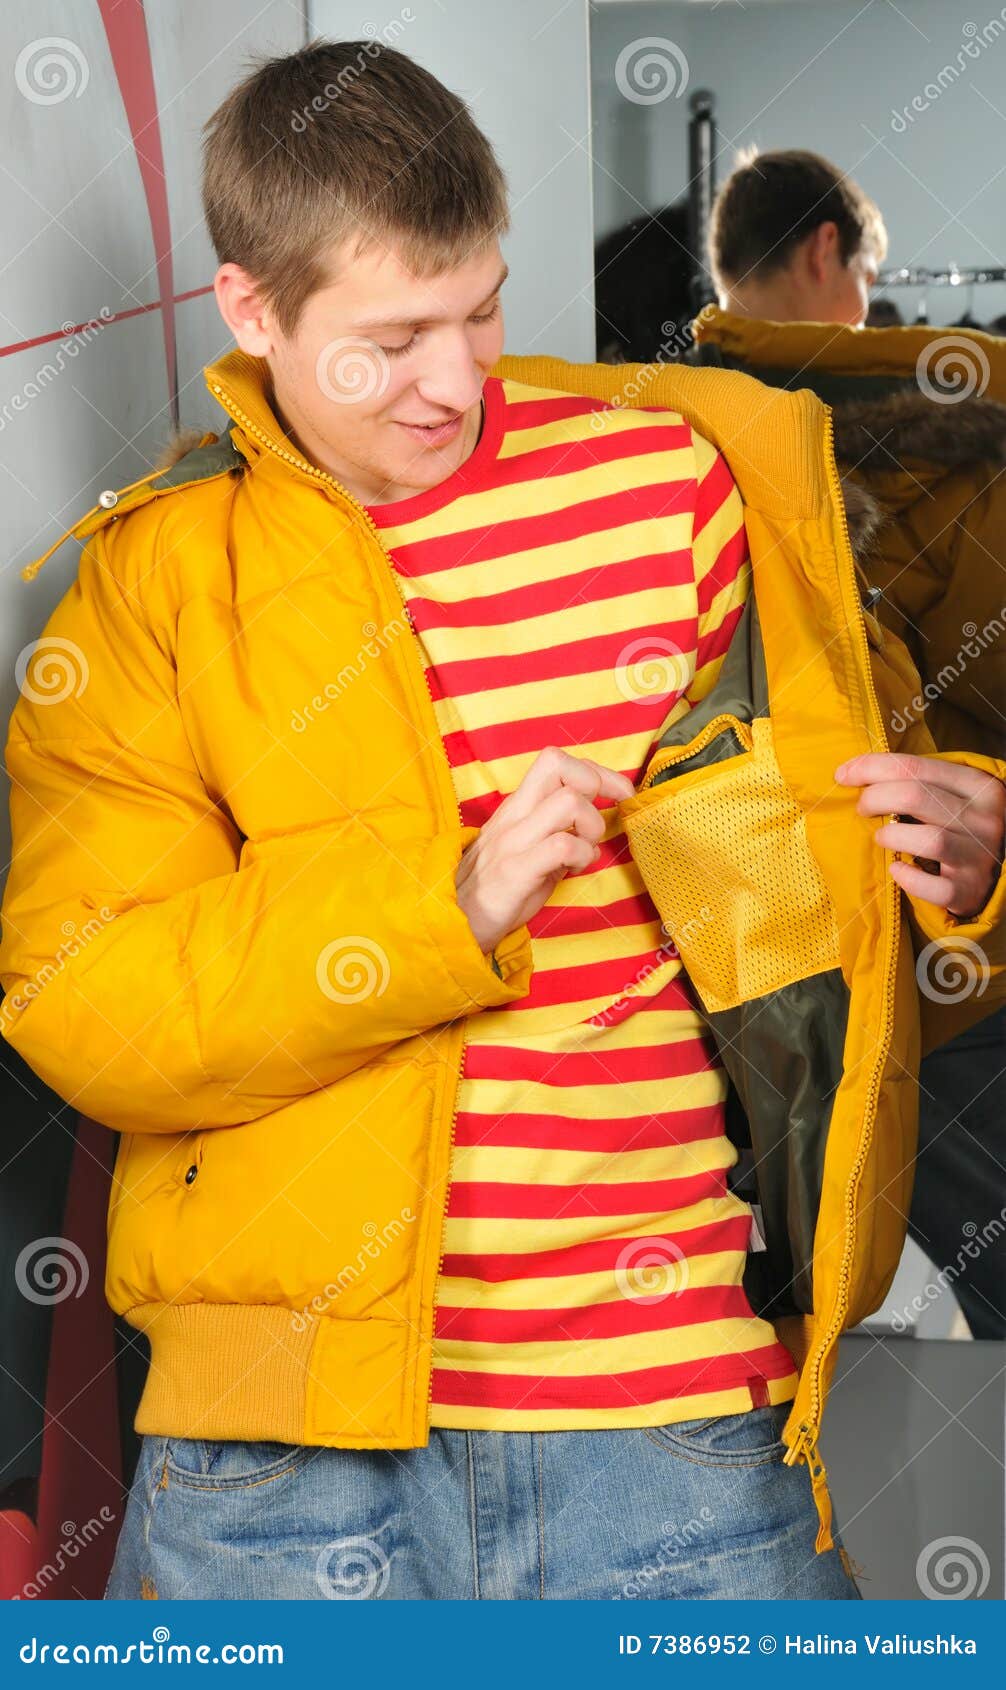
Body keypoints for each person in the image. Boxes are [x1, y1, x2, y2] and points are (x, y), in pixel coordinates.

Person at [1, 44, 1003, 1602]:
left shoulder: (667, 482)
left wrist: (957, 893)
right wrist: (440, 910)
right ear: (253, 311)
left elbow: (784, 942)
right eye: (392, 338)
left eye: (479, 308)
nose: (459, 382)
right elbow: (88, 1004)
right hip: (280, 1453)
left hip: (666, 1405)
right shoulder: (156, 584)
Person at [698, 146, 1006, 1338]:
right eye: (867, 266)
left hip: (748, 962)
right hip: (947, 966)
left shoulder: (663, 439)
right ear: (826, 251)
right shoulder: (965, 443)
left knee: (779, 1296)